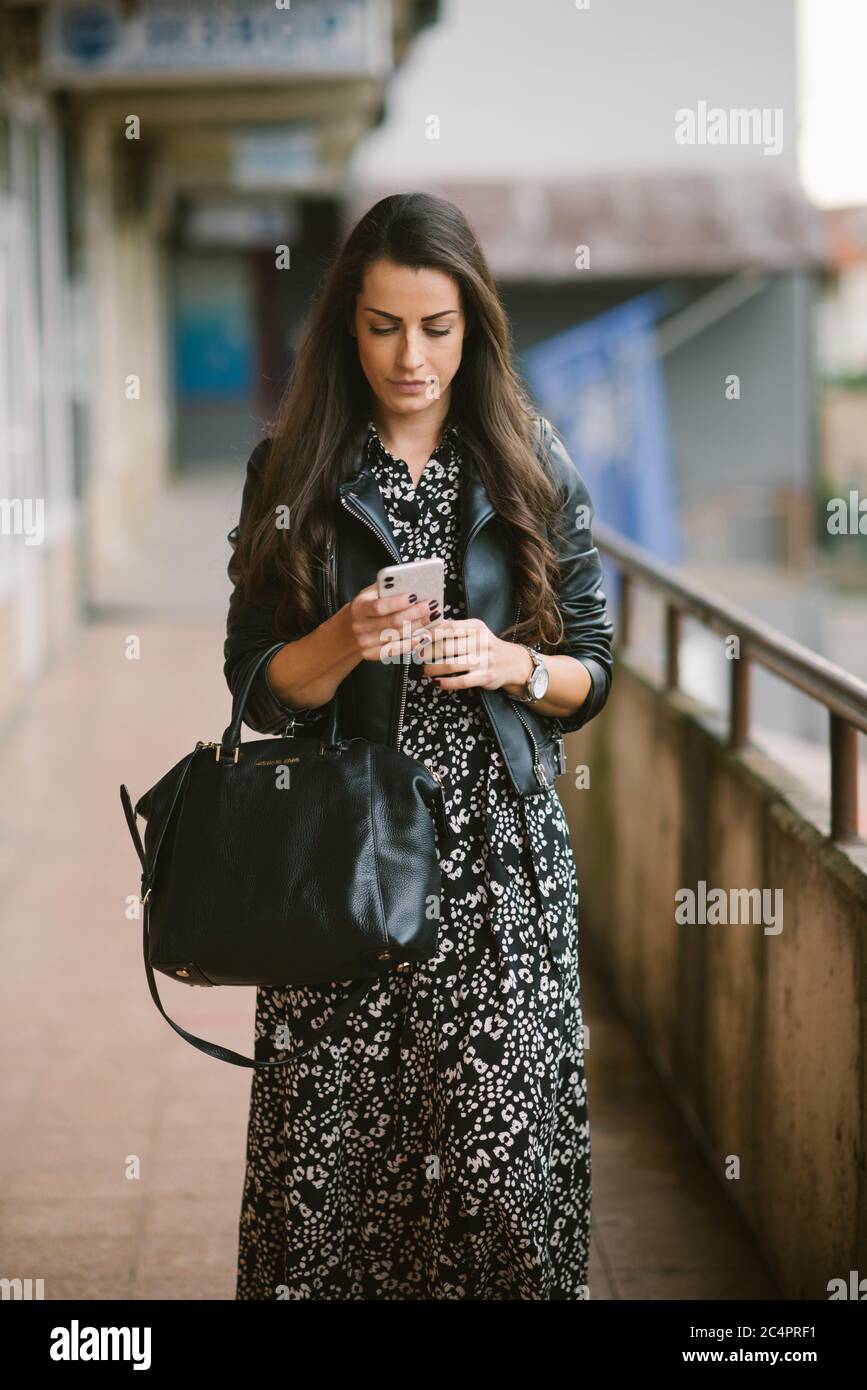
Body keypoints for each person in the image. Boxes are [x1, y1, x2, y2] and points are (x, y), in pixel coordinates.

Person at [224, 191, 614, 1300]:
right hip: (343, 863)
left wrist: (512, 665)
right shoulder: (293, 469)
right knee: (335, 1186)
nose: (411, 356)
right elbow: (256, 683)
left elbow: (594, 667)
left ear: (474, 326)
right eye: (385, 325)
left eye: (437, 328)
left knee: (502, 1178)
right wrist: (342, 640)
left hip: (499, 871)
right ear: (349, 324)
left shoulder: (528, 460)